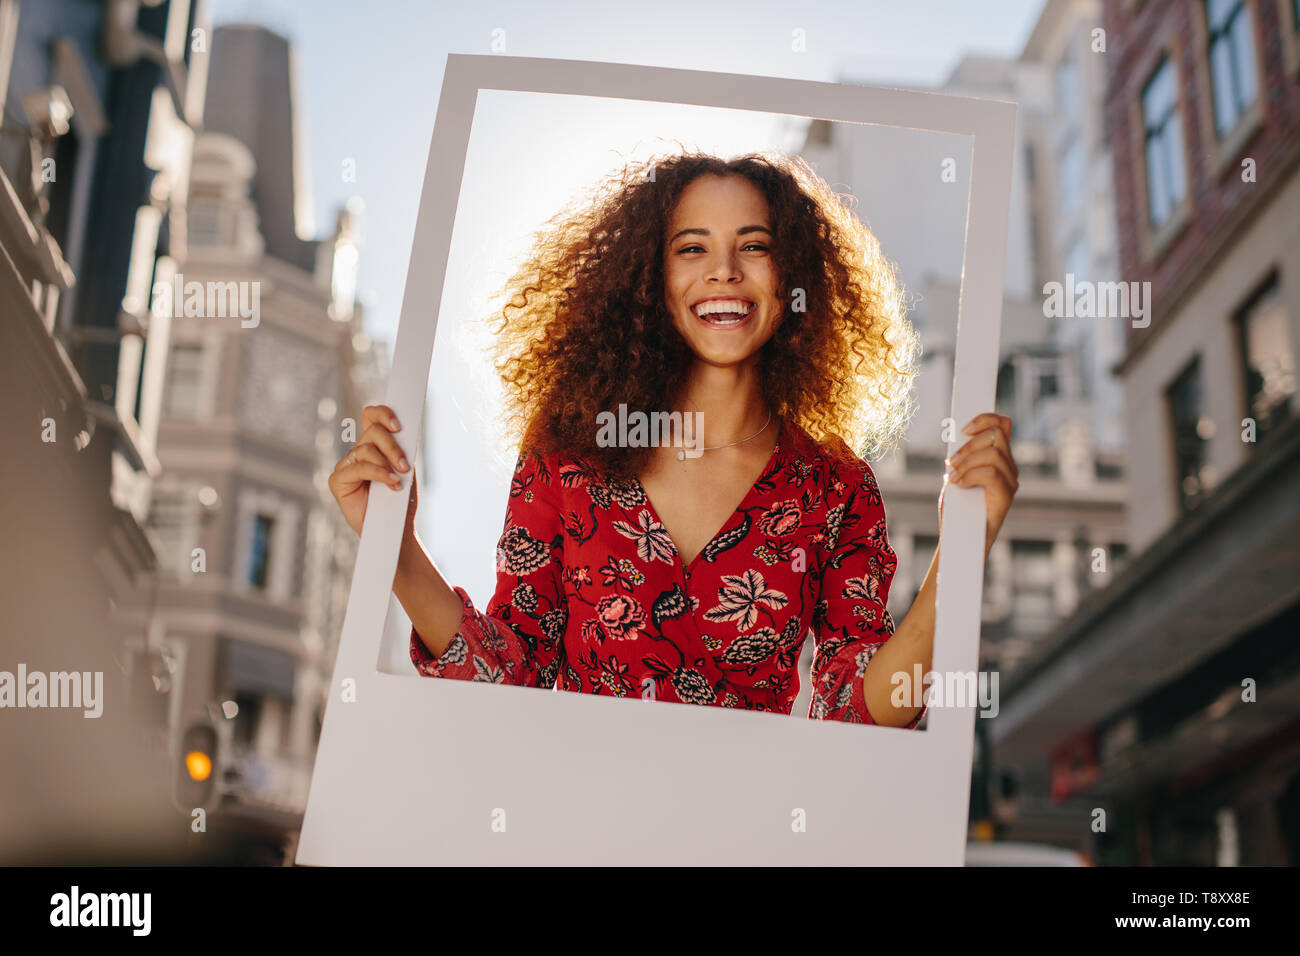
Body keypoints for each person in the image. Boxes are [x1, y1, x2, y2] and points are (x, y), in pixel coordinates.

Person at [328, 152, 1019, 727]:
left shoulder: (835, 486)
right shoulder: (567, 454)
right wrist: (396, 549)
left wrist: (961, 554)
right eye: (692, 248)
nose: (724, 270)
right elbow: (510, 675)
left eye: (755, 247)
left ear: (793, 281)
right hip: (570, 832)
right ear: (649, 281)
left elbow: (859, 712)